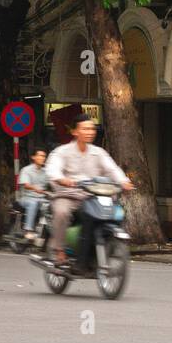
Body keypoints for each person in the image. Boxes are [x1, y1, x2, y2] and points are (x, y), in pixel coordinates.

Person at [45, 114, 133, 268]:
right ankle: (59, 250)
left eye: (92, 128)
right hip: (68, 195)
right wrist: (62, 179)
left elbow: (112, 169)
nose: (90, 132)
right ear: (74, 132)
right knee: (61, 212)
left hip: (92, 197)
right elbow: (53, 169)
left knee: (114, 213)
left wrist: (123, 181)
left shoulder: (98, 152)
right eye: (85, 129)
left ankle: (98, 250)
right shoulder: (62, 152)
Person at [17, 148, 50, 239]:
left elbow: (52, 184)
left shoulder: (46, 172)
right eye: (39, 155)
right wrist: (35, 188)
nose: (42, 158)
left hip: (42, 198)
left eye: (44, 156)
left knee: (53, 206)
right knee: (33, 203)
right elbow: (26, 184)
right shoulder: (26, 170)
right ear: (33, 157)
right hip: (26, 198)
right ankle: (28, 230)